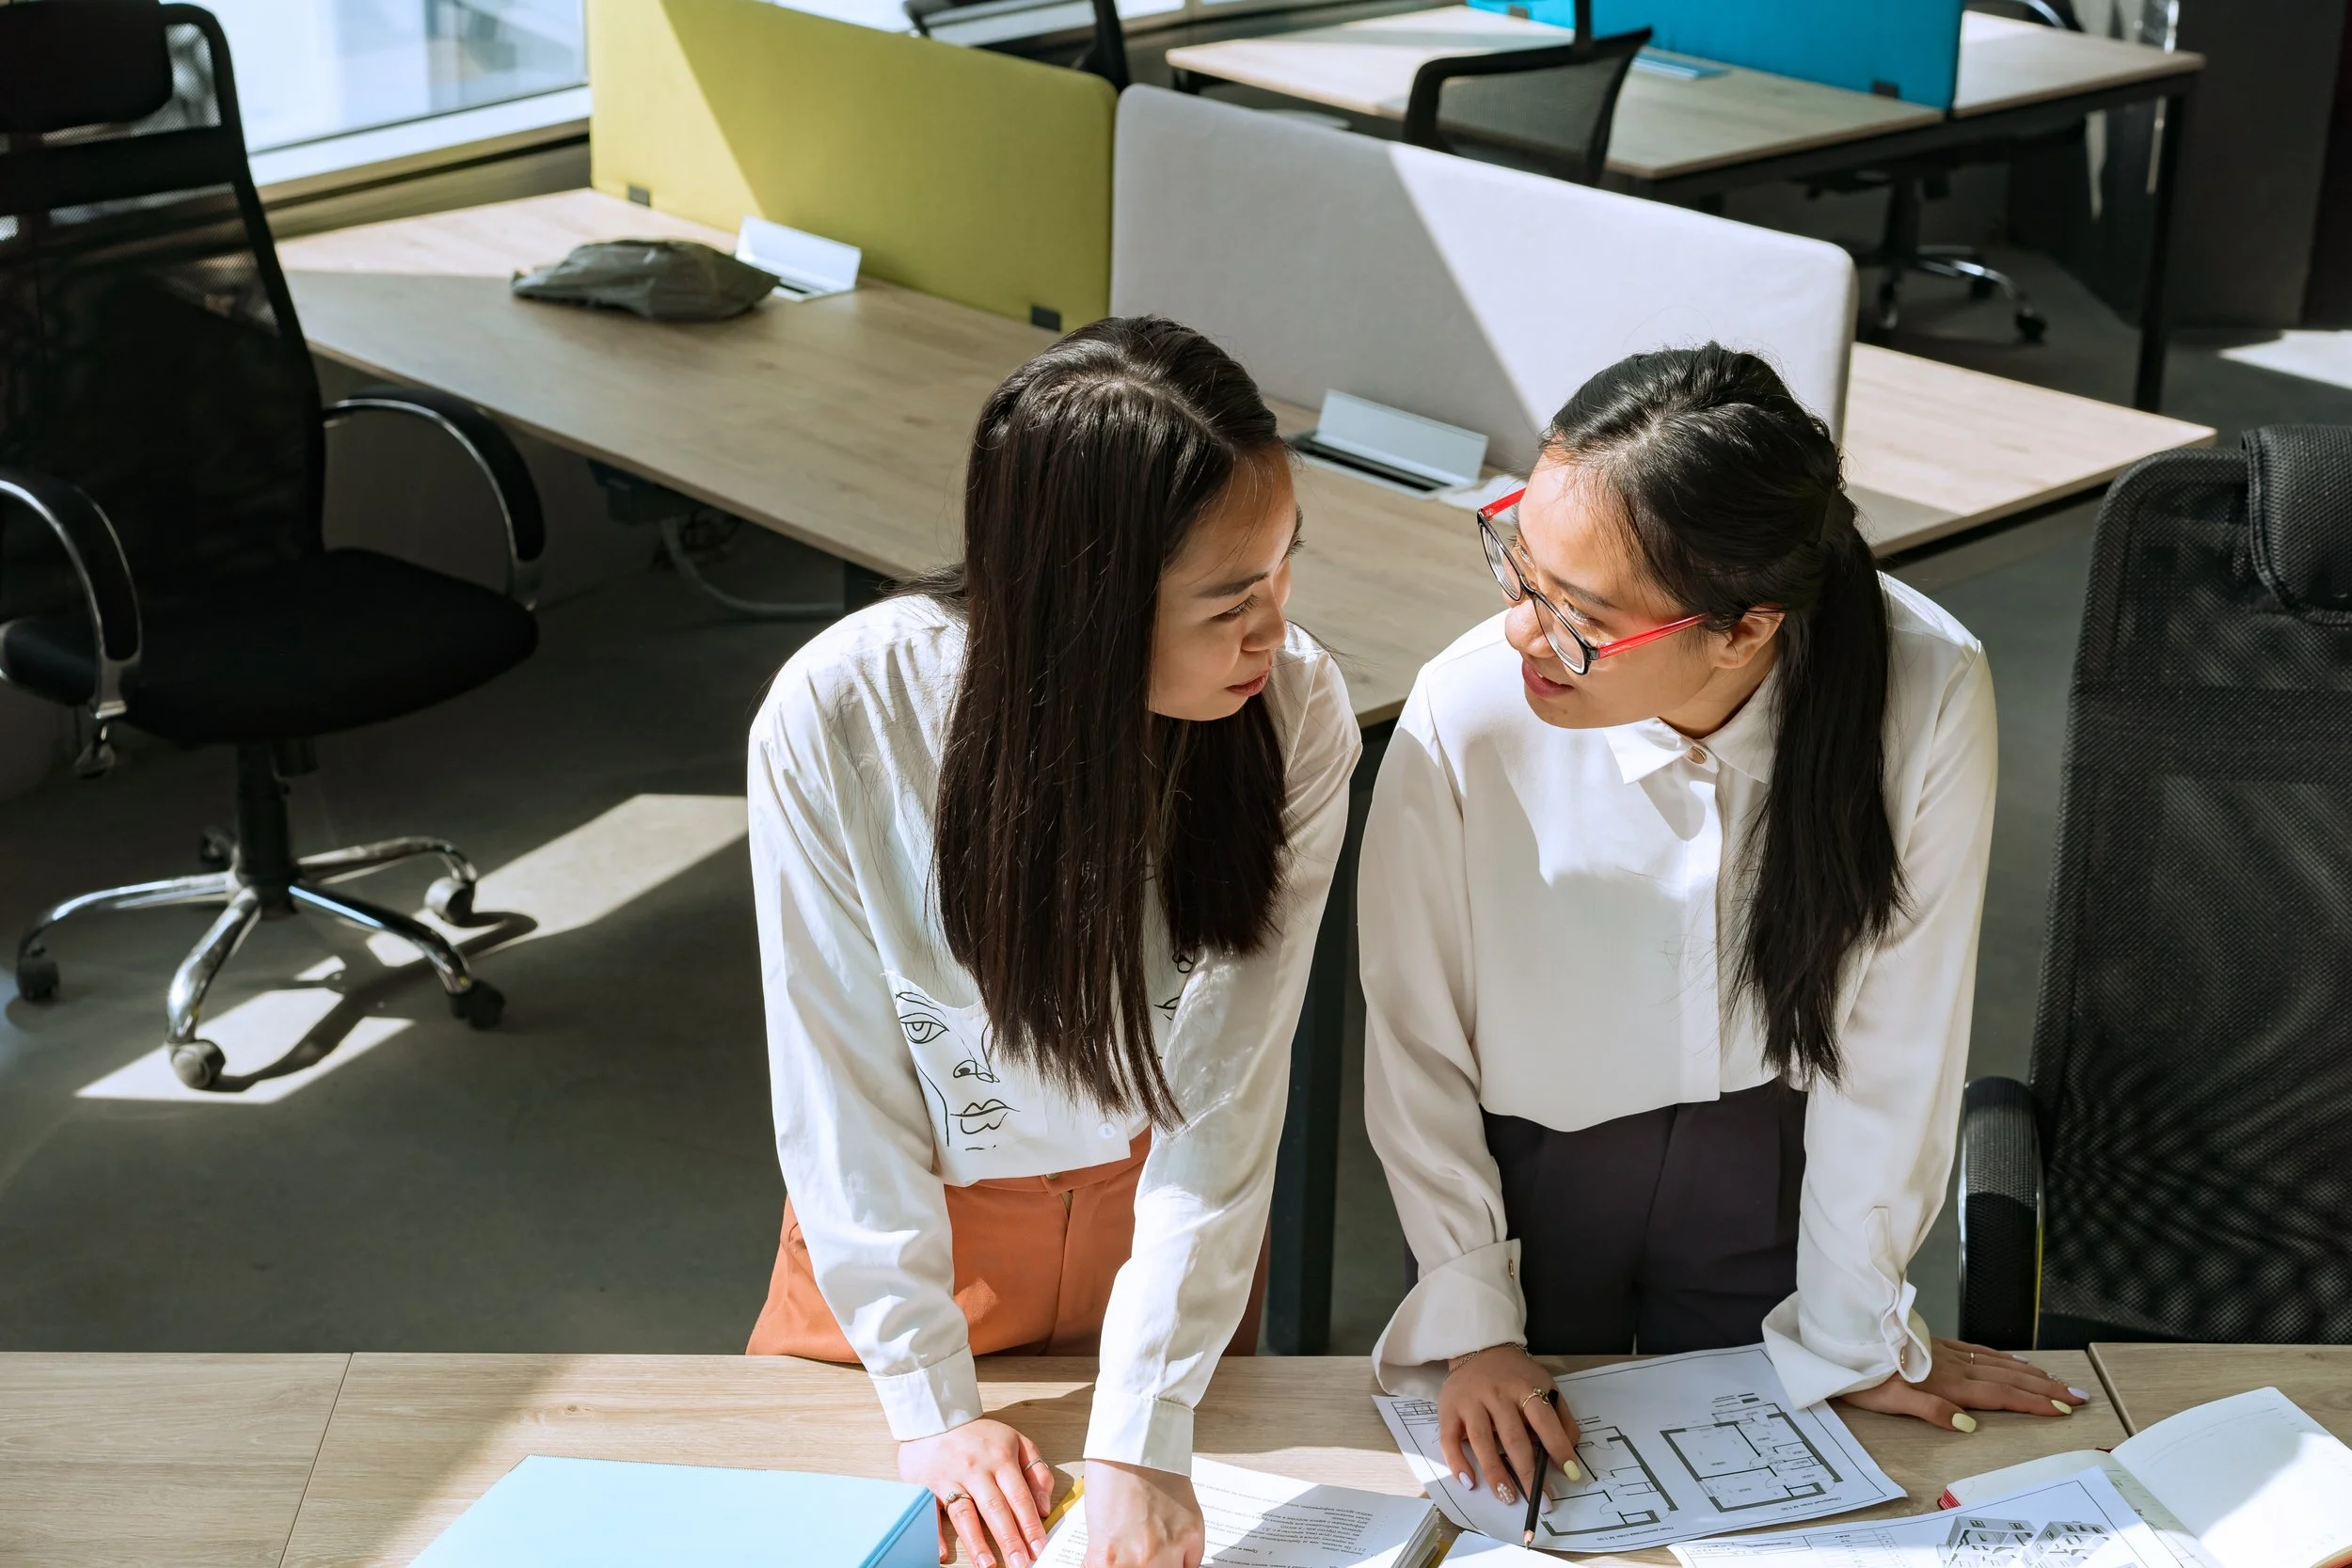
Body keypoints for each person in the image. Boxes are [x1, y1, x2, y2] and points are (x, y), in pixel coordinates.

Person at [1360, 344, 2087, 1508]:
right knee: (1537, 1510)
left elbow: (1896, 1039)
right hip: (1525, 1182)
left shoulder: (1926, 687)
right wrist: (1472, 1320)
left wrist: (1854, 1327)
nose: (1520, 632)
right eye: (1518, 561)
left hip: (1774, 1171)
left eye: (1580, 614)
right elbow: (1415, 1040)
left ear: (1744, 628)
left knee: (1776, 1512)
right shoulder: (1469, 709)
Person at [745, 317, 1359, 1568]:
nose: (1272, 628)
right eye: (1227, 600)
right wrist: (928, 1401)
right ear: (1083, 605)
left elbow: (1228, 1099)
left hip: (1165, 1236)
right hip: (907, 1237)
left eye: (1283, 571)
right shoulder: (845, 709)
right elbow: (839, 1081)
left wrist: (1141, 1433)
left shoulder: (1292, 710)